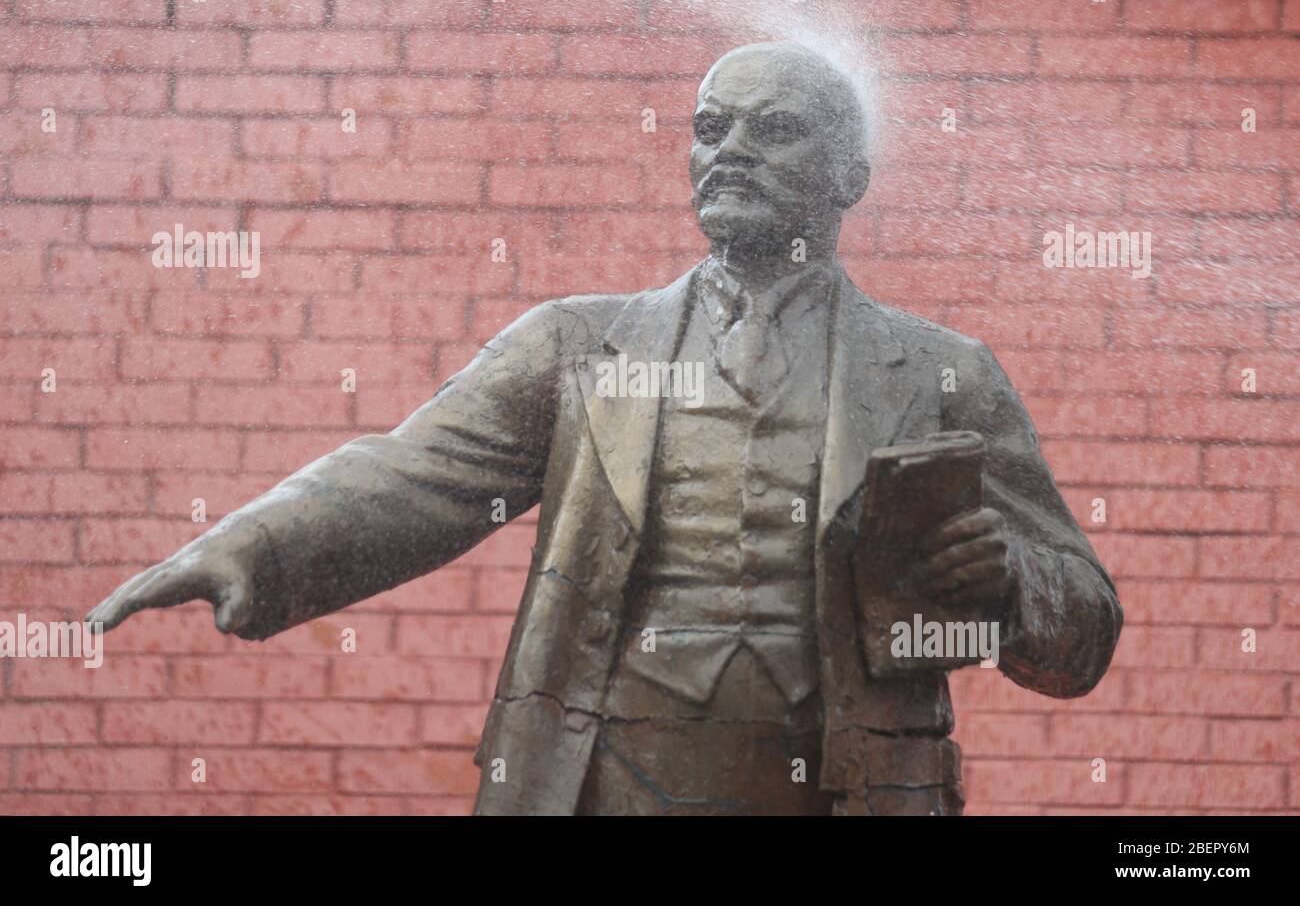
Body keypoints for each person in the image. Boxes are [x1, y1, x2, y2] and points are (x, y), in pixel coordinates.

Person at [88, 41, 1122, 815]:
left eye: (775, 129)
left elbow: (1082, 625)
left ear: (850, 173)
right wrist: (248, 545)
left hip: (850, 785)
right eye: (710, 127)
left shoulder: (941, 371)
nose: (730, 151)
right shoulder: (577, 346)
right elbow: (414, 478)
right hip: (608, 778)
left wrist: (1005, 584)